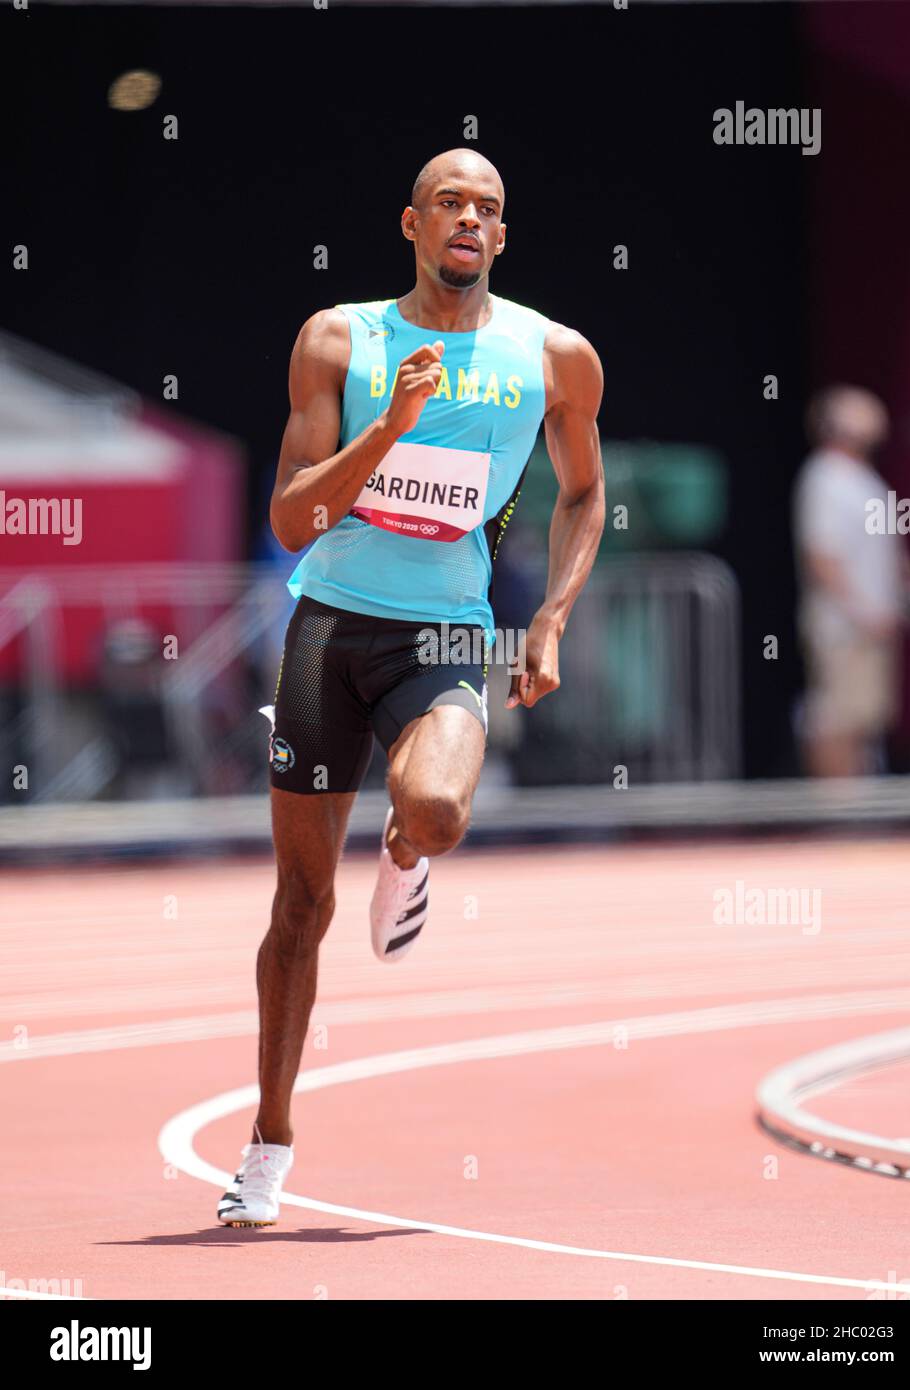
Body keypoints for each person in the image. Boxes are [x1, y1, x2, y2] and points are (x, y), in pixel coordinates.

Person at [217, 148, 605, 1227]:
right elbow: (291, 519)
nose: (467, 220)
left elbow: (583, 491)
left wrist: (551, 615)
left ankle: (403, 853)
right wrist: (383, 433)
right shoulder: (342, 338)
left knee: (432, 808)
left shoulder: (552, 355)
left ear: (501, 234)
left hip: (446, 629)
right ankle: (269, 1142)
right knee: (299, 906)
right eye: (448, 204)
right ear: (410, 223)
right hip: (329, 627)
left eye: (486, 207)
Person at [792, 385, 903, 778]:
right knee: (836, 718)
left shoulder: (862, 477)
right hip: (844, 625)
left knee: (863, 720)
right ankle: (835, 816)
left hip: (871, 624)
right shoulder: (826, 476)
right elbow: (821, 555)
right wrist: (861, 610)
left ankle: (855, 815)